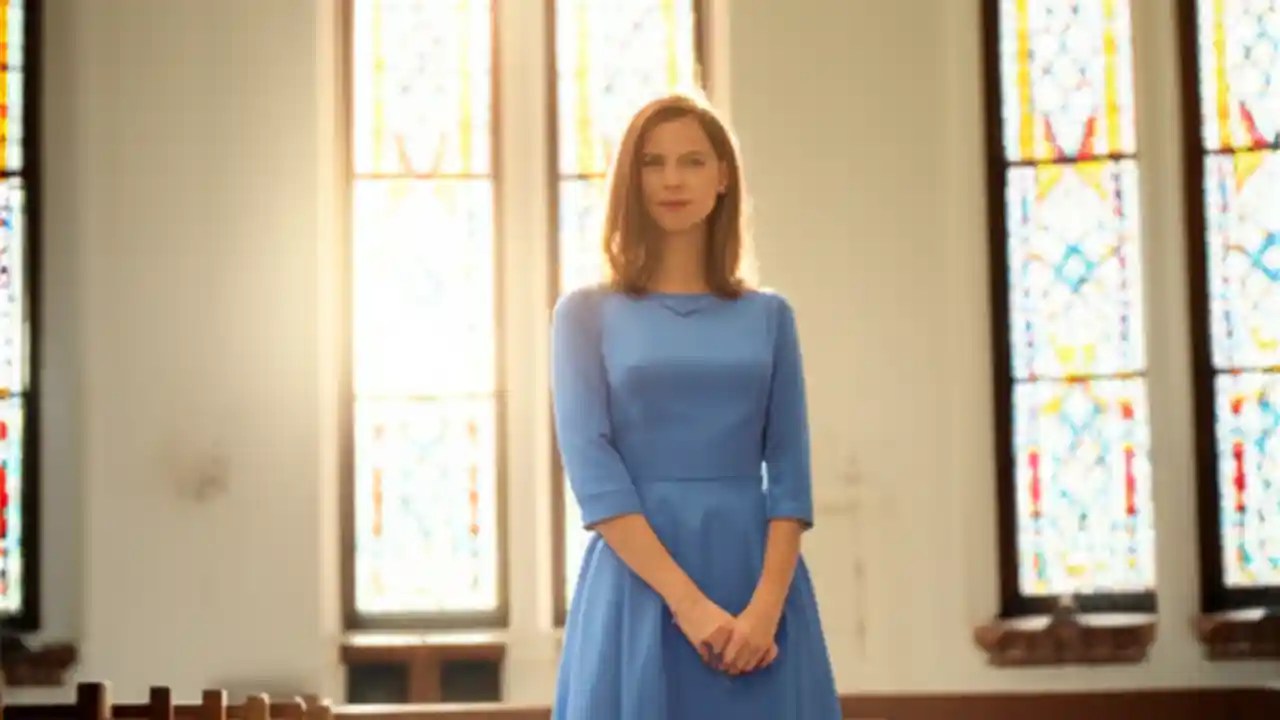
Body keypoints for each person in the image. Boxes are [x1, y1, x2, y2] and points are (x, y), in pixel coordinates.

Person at [549, 92, 841, 719]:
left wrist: (764, 613)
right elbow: (593, 473)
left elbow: (790, 476)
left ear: (723, 177)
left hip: (756, 584)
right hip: (638, 580)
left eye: (692, 161)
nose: (673, 180)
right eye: (652, 163)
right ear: (630, 180)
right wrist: (688, 605)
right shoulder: (584, 315)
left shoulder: (770, 317)